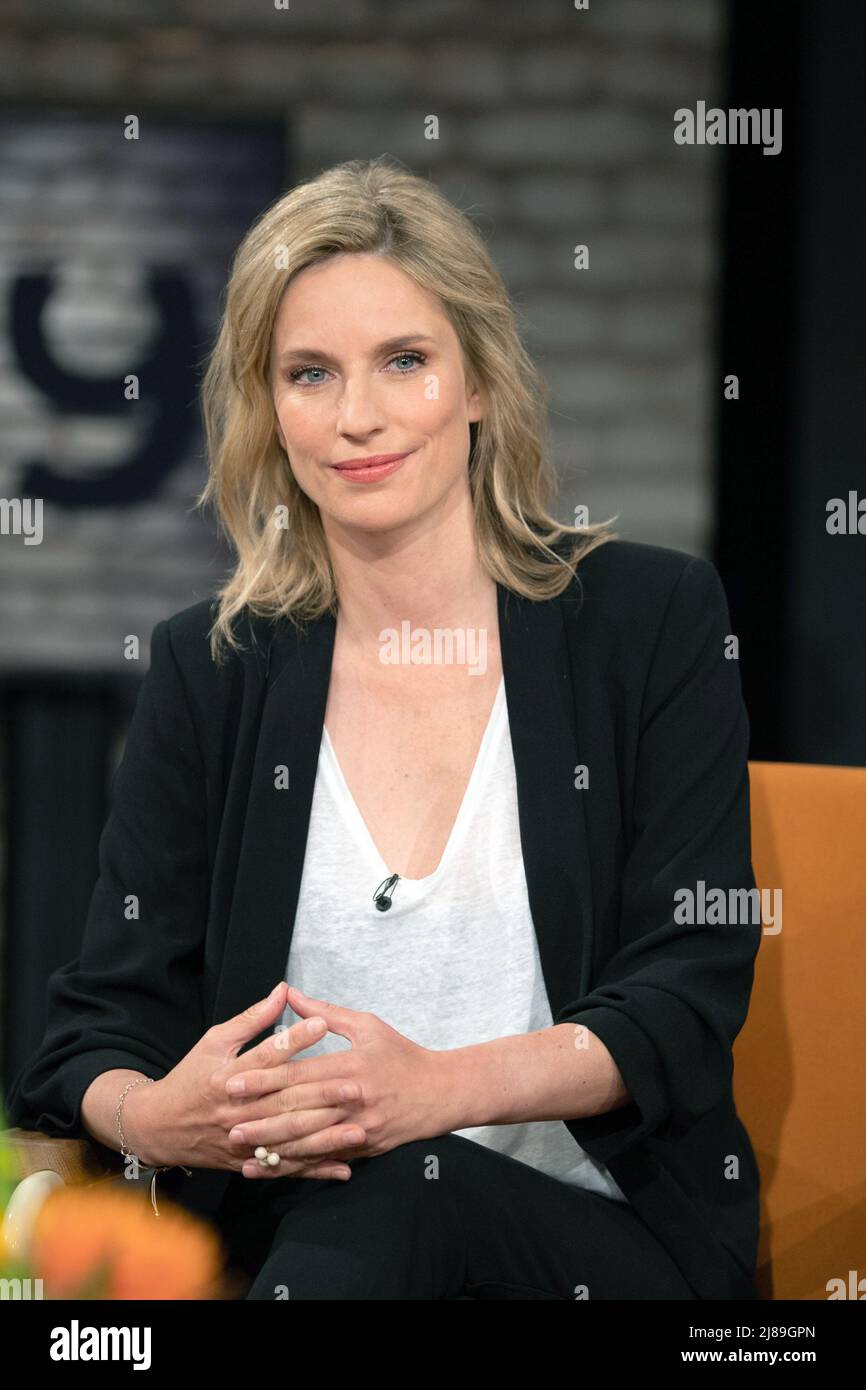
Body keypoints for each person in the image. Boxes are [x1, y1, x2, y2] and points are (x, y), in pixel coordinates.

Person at [6, 156, 762, 1300]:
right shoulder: (211, 668)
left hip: (600, 1247)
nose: (356, 417)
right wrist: (167, 1116)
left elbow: (685, 996)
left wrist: (431, 1091)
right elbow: (93, 1030)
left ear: (476, 382)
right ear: (270, 408)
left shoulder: (644, 622)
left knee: (409, 1180)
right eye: (308, 374)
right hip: (297, 1246)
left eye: (402, 362)